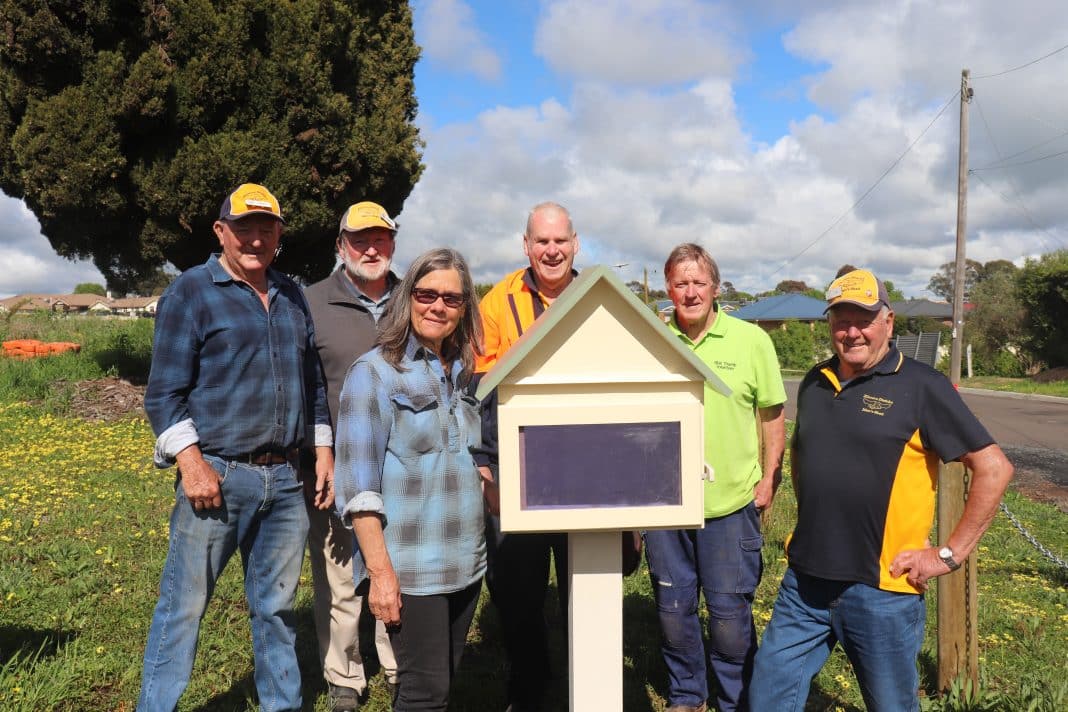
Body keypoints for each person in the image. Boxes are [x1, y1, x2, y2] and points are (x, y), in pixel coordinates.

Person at [750, 269, 1015, 712]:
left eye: (864, 319)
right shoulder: (815, 383)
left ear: (888, 322)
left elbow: (994, 468)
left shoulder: (921, 386)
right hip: (804, 583)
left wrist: (949, 554)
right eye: (840, 319)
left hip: (883, 590)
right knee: (766, 699)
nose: (851, 331)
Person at [138, 183, 334, 711]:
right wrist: (192, 463)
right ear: (221, 232)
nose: (254, 239)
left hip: (287, 482)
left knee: (275, 609)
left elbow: (312, 383)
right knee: (183, 605)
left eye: (265, 229)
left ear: (278, 235)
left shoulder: (292, 294)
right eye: (243, 228)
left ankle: (282, 705)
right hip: (218, 478)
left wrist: (323, 451)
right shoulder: (192, 291)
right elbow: (163, 394)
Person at [333, 248, 486, 711]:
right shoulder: (373, 373)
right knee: (424, 693)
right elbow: (359, 491)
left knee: (445, 680)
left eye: (452, 299)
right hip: (412, 570)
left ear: (464, 309)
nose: (438, 306)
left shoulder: (461, 370)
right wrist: (380, 575)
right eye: (426, 294)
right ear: (408, 297)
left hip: (466, 562)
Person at [643, 243, 786, 712]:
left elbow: (771, 418)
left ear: (715, 288)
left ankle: (738, 698)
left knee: (729, 614)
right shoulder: (654, 342)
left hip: (730, 505)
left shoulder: (751, 342)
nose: (690, 292)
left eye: (698, 282)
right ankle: (688, 695)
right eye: (680, 283)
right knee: (673, 610)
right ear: (669, 288)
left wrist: (769, 479)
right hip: (666, 505)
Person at [474, 201, 580, 712]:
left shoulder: (597, 296)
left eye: (560, 241)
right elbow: (479, 389)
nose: (552, 250)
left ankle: (589, 685)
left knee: (585, 586)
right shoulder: (497, 302)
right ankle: (530, 690)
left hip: (586, 475)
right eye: (542, 241)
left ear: (575, 243)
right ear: (526, 245)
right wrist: (486, 466)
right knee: (517, 592)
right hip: (517, 474)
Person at [303, 201, 400, 711]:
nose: (371, 247)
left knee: (397, 565)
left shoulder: (415, 297)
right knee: (340, 574)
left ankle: (397, 661)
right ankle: (344, 676)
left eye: (380, 238)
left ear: (392, 244)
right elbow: (308, 387)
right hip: (337, 463)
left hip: (405, 466)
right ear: (341, 245)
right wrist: (324, 452)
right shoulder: (312, 301)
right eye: (359, 238)